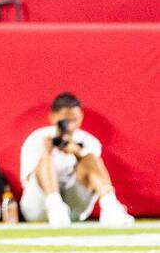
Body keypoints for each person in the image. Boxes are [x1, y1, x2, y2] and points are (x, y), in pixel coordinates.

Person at [17, 92, 134, 226]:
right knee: (45, 159)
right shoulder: (36, 139)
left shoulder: (88, 141)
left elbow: (93, 172)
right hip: (40, 206)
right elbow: (29, 180)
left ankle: (110, 206)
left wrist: (77, 152)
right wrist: (47, 151)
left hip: (74, 207)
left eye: (74, 120)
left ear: (81, 117)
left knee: (91, 158)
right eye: (65, 121)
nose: (70, 126)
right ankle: (55, 205)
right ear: (53, 117)